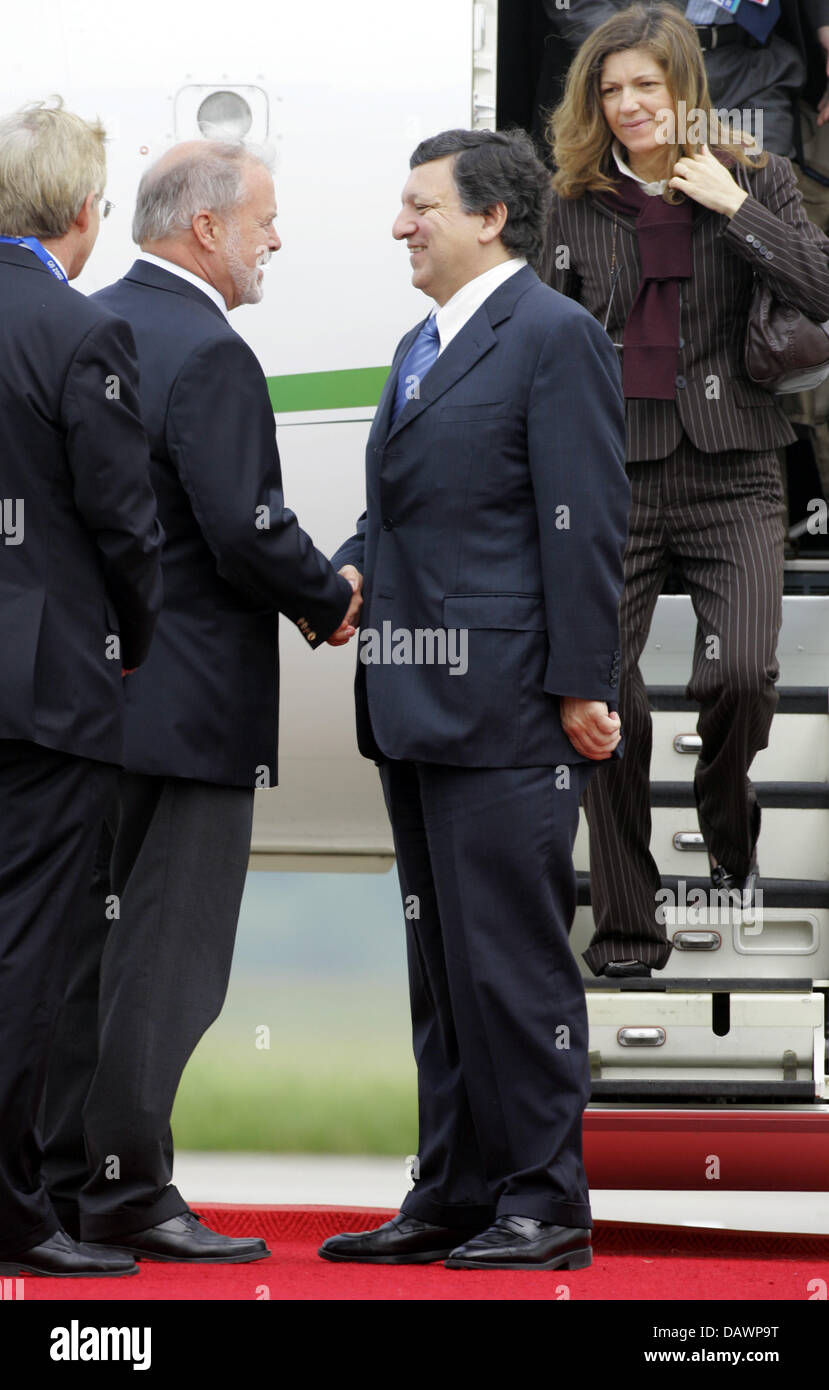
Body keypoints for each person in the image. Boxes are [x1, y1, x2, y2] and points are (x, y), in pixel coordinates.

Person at [42, 140, 360, 1264]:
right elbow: (244, 526)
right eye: (265, 219)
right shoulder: (208, 349)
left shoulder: (91, 323)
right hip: (189, 716)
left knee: (84, 954)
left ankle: (58, 1178)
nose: (276, 239)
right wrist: (332, 595)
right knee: (168, 967)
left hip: (91, 710)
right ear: (205, 227)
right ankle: (124, 1191)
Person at [319, 128, 629, 1271]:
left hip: (504, 707)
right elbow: (411, 509)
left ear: (491, 217)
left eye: (420, 205)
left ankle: (544, 1202)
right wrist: (353, 563)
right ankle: (451, 1188)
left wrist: (583, 684)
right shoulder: (420, 342)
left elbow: (585, 521)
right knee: (443, 968)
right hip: (411, 697)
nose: (401, 225)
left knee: (511, 964)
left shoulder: (553, 337)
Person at [544, 3, 829, 977]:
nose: (627, 105)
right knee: (600, 699)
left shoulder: (757, 174)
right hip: (612, 474)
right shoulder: (572, 203)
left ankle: (725, 818)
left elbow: (822, 292)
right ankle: (628, 927)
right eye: (610, 89)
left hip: (735, 467)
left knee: (739, 674)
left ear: (683, 91)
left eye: (645, 87)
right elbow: (546, 345)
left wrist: (732, 206)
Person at [0, 100, 163, 1277]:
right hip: (42, 689)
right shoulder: (78, 330)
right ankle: (13, 1208)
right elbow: (123, 525)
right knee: (29, 953)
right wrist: (136, 633)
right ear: (81, 214)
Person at [543, 0, 829, 158]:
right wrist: (627, 50)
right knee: (644, 197)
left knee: (755, 186)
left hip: (748, 64)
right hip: (639, 58)